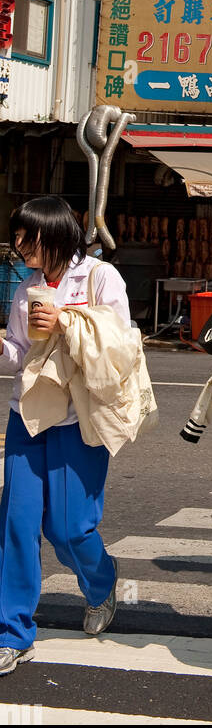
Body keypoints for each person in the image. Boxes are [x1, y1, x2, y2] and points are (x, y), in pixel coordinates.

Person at [0, 198, 130, 675]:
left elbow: (118, 343)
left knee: (69, 528)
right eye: (17, 237)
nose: (19, 246)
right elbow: (17, 354)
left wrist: (66, 323)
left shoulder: (99, 278)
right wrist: (2, 346)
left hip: (80, 417)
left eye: (25, 237)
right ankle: (12, 632)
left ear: (52, 234)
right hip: (29, 413)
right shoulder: (24, 289)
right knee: (16, 522)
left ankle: (101, 582)